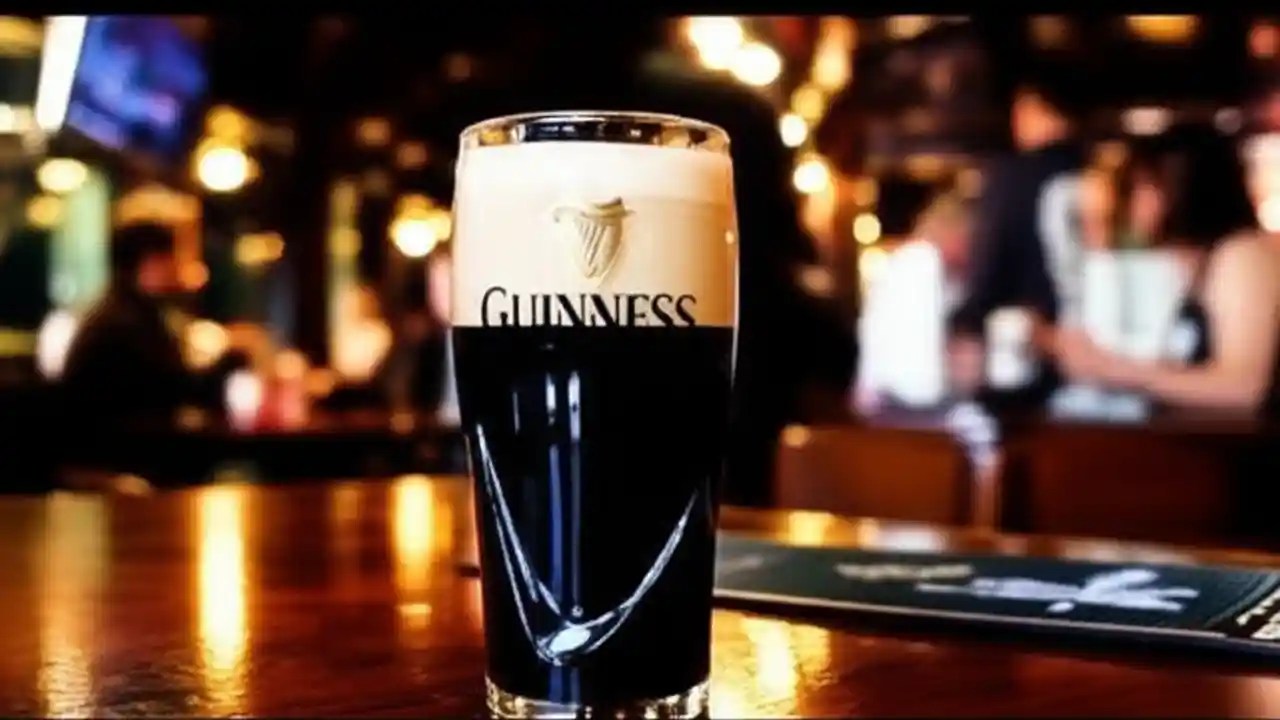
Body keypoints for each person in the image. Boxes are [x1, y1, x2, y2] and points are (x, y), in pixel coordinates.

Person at [440, 19, 848, 506]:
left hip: (545, 483)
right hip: (725, 453)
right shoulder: (733, 111)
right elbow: (788, 279)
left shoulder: (494, 113)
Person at [1050, 123, 1280, 415]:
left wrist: (1110, 369)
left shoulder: (1244, 255)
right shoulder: (1191, 262)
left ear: (1183, 187)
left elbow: (1243, 388)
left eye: (1142, 186)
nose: (1131, 202)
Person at [948, 65, 1088, 398]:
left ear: (1031, 106)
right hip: (1100, 358)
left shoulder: (1014, 178)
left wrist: (966, 323)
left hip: (1026, 356)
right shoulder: (1101, 174)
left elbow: (990, 262)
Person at [61, 222, 245, 423]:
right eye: (173, 259)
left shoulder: (122, 312)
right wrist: (235, 356)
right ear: (149, 263)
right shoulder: (124, 325)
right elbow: (173, 390)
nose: (180, 269)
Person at [856, 193, 974, 410]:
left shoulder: (921, 264)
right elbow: (922, 382)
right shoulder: (919, 262)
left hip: (890, 402)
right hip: (901, 405)